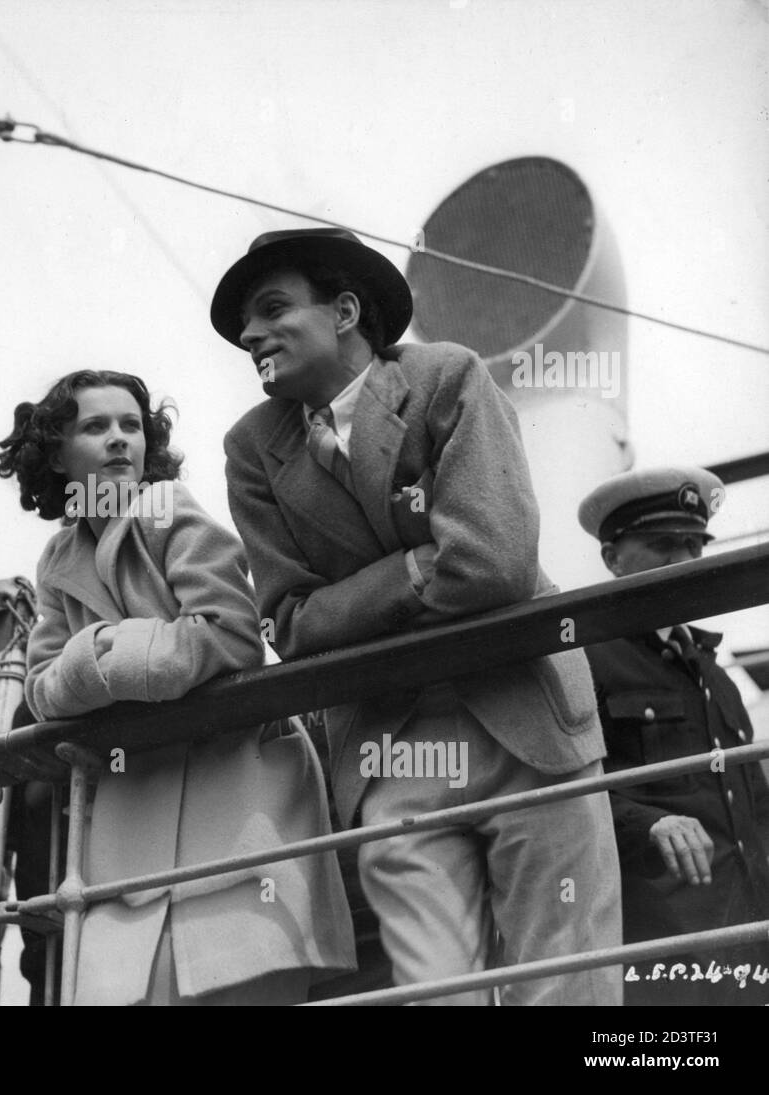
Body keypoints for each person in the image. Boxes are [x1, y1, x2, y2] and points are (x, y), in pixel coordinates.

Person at [215, 227, 622, 1005]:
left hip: (527, 724)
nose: (250, 335)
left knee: (568, 984)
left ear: (344, 311)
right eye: (245, 326)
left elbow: (494, 563)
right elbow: (293, 624)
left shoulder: (446, 378)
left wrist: (364, 599)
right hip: (389, 753)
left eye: (272, 309)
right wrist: (415, 564)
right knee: (437, 994)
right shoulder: (252, 450)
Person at [0, 369, 355, 1006]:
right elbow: (43, 690)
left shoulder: (170, 511)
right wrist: (120, 660)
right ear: (55, 453)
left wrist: (102, 657)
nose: (118, 441)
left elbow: (231, 635)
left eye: (131, 426)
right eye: (95, 426)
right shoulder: (58, 559)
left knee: (239, 970)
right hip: (135, 816)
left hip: (238, 799)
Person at [578, 466, 769, 1005]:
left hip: (748, 935)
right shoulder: (584, 660)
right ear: (612, 559)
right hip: (659, 946)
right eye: (663, 545)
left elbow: (755, 802)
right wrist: (652, 822)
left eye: (693, 546)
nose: (683, 563)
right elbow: (562, 794)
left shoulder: (715, 676)